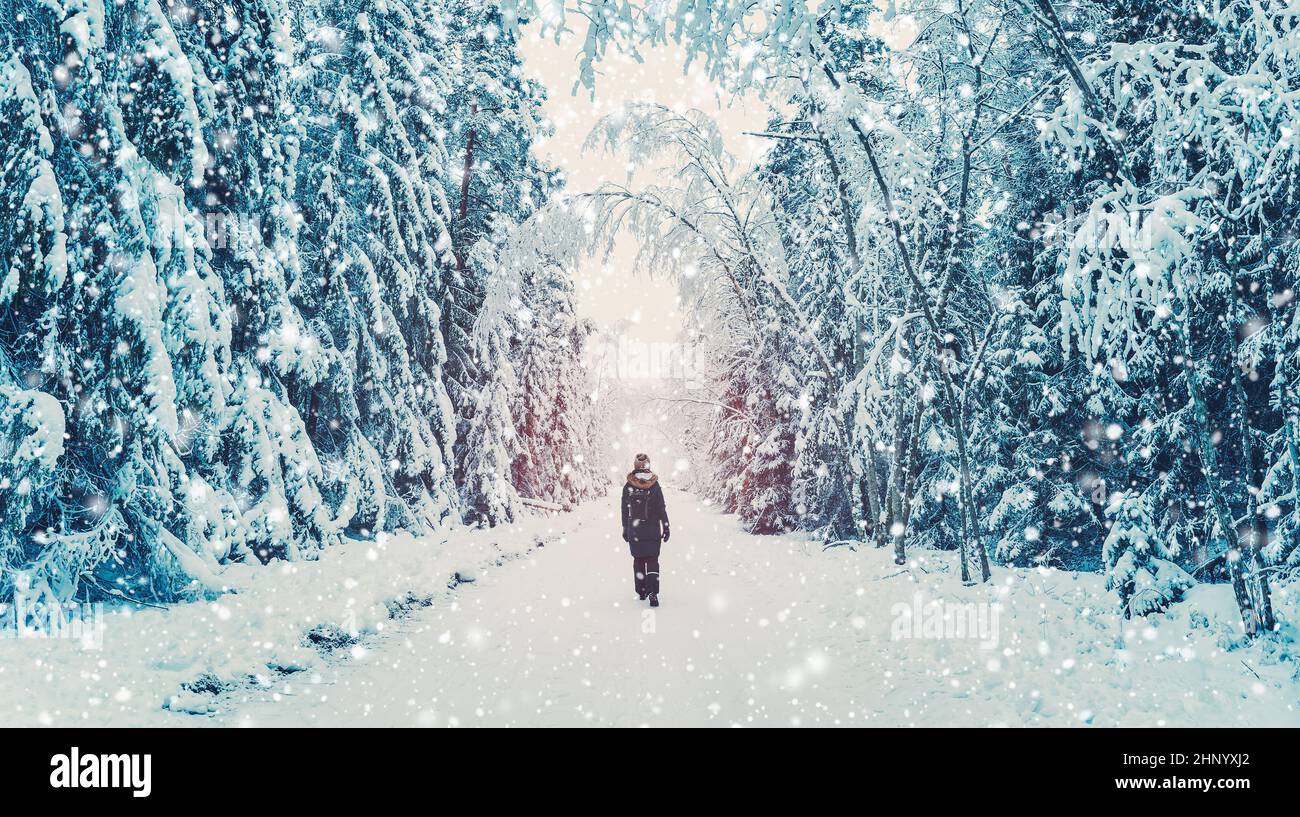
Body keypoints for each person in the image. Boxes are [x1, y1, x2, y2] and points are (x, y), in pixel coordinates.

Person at [621, 453, 670, 607]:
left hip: (635, 530)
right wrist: (666, 526)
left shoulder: (628, 486)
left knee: (638, 560)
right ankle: (653, 592)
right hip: (653, 529)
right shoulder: (654, 485)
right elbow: (661, 508)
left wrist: (625, 528)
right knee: (653, 560)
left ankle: (641, 591)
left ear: (635, 466)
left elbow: (624, 509)